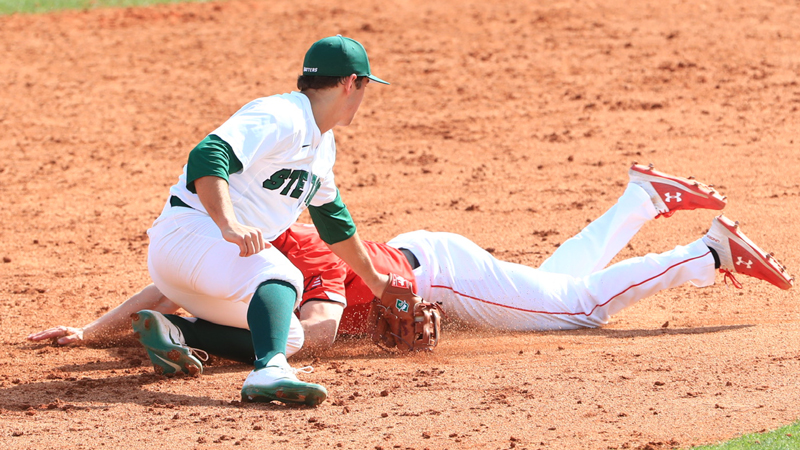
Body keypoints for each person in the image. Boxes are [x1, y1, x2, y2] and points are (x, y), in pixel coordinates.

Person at [31, 165, 794, 374]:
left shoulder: (285, 255)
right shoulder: (240, 247)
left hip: (436, 273)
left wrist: (216, 344)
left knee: (578, 310)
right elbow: (173, 283)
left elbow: (317, 335)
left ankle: (706, 254)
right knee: (551, 287)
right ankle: (639, 199)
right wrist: (94, 332)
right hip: (428, 254)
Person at [141, 34, 393, 406]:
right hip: (189, 234)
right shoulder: (282, 115)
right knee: (283, 275)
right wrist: (228, 223)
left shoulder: (323, 144)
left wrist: (377, 283)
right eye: (365, 85)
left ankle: (175, 330)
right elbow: (208, 153)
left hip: (205, 271)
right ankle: (268, 372)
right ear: (351, 82)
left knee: (288, 335)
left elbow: (333, 222)